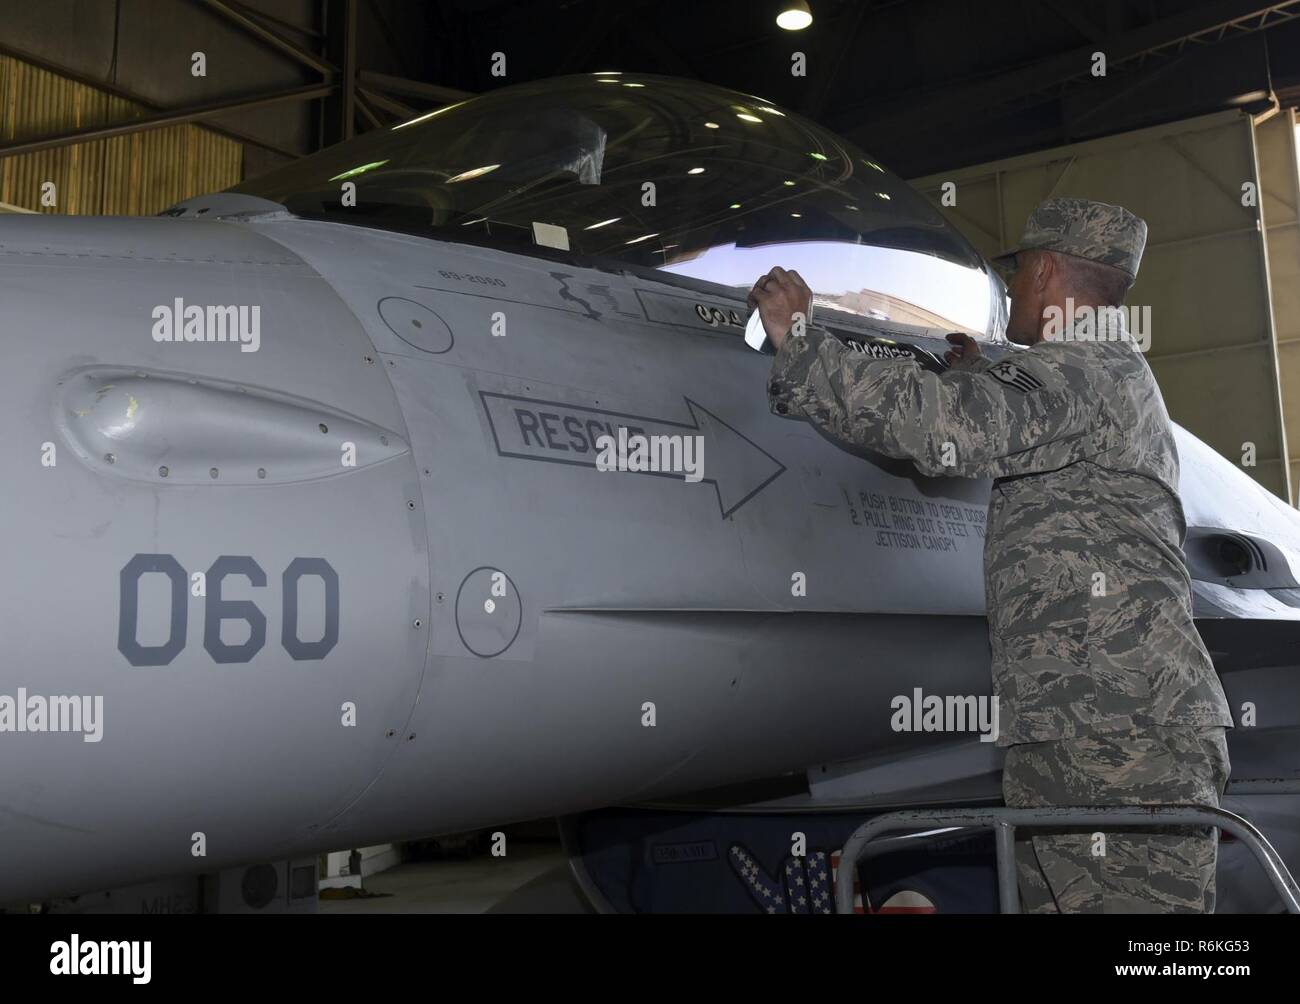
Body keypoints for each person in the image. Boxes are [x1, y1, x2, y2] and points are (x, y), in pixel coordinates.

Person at [750, 197, 1234, 913]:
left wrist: (803, 339)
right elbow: (1007, 417)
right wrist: (983, 372)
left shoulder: (1079, 371)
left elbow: (941, 426)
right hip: (1083, 729)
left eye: (1019, 273)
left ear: (1043, 272)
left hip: (1120, 741)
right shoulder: (1103, 370)